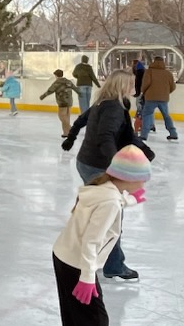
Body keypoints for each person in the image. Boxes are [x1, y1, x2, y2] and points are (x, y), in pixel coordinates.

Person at [51, 145, 151, 326]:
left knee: (74, 315)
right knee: (96, 321)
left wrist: (132, 200)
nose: (145, 183)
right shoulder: (109, 202)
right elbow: (92, 242)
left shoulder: (101, 189)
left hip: (63, 254)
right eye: (143, 178)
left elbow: (113, 200)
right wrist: (86, 278)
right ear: (128, 178)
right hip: (78, 263)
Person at [62, 70, 146, 281]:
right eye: (131, 83)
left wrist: (70, 139)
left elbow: (81, 120)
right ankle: (113, 265)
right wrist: (116, 167)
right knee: (111, 217)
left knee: (100, 213)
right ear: (123, 85)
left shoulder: (104, 103)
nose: (134, 86)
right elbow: (106, 137)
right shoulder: (113, 108)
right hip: (98, 167)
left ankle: (93, 259)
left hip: (87, 162)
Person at [137, 56, 179, 142]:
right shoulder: (168, 73)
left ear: (154, 61)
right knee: (166, 116)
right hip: (164, 98)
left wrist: (143, 92)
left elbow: (145, 84)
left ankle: (144, 134)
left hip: (150, 97)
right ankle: (173, 133)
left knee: (147, 115)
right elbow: (173, 87)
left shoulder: (149, 72)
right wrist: (166, 92)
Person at [41, 69, 77, 134]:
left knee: (62, 116)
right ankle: (66, 133)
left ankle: (71, 129)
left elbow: (50, 91)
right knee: (67, 117)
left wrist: (43, 96)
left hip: (62, 101)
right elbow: (75, 88)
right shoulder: (68, 81)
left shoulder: (57, 82)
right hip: (69, 101)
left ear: (56, 75)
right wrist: (80, 93)